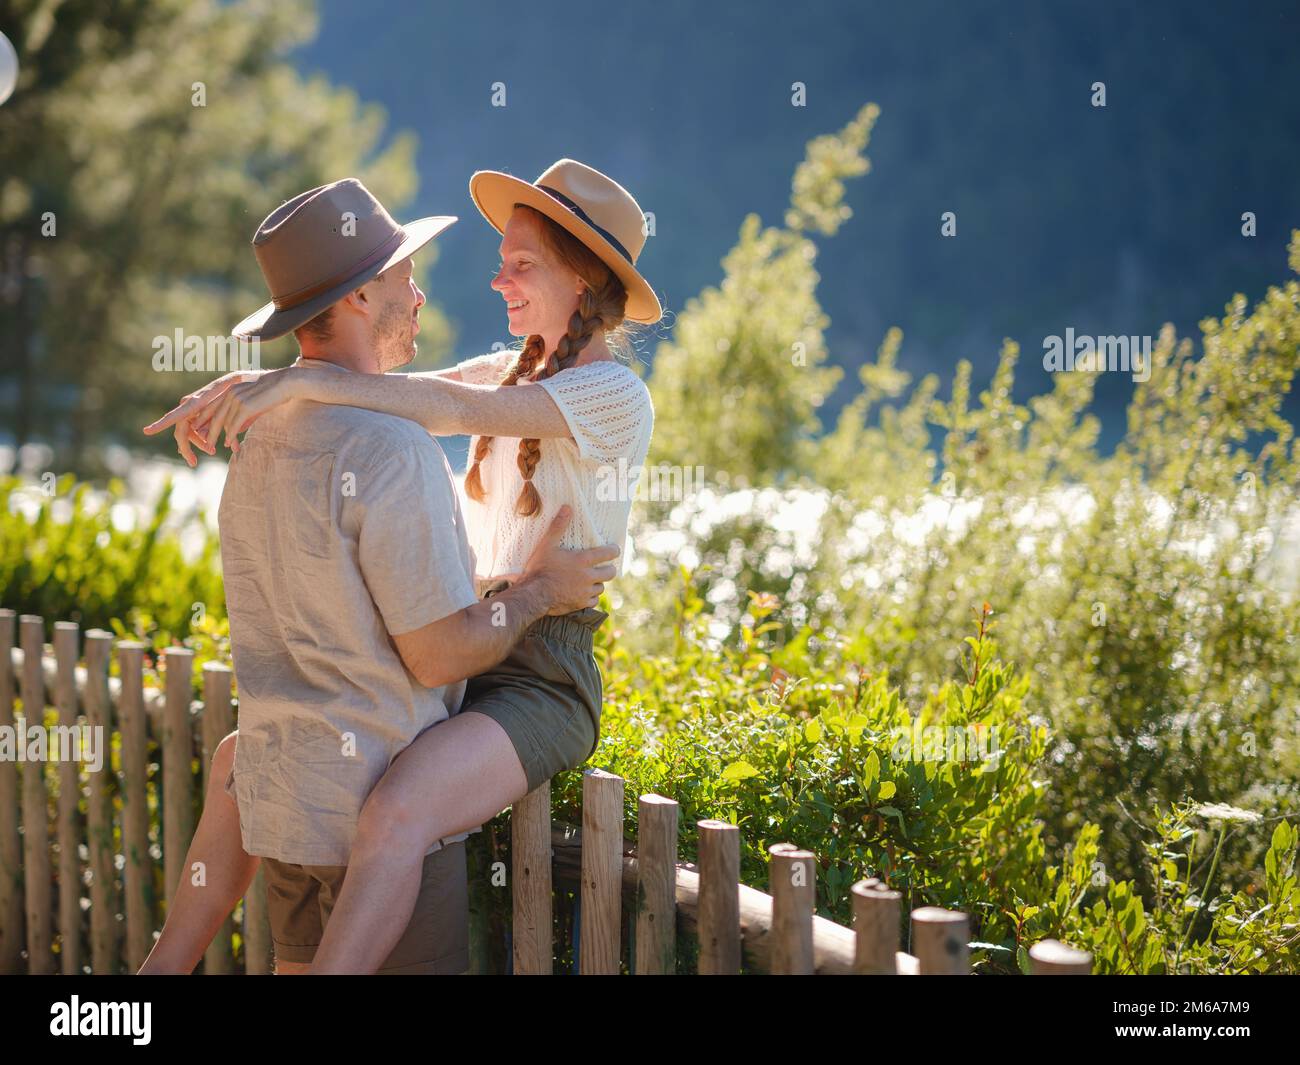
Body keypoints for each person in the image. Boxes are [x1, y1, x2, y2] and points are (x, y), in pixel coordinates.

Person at [140, 159, 661, 974]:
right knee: (248, 759)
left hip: (538, 672)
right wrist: (269, 382)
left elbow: (449, 407)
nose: (497, 280)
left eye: (520, 264)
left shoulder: (614, 394)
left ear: (584, 276)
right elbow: (399, 388)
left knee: (397, 808)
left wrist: (286, 379)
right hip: (468, 646)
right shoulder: (517, 364)